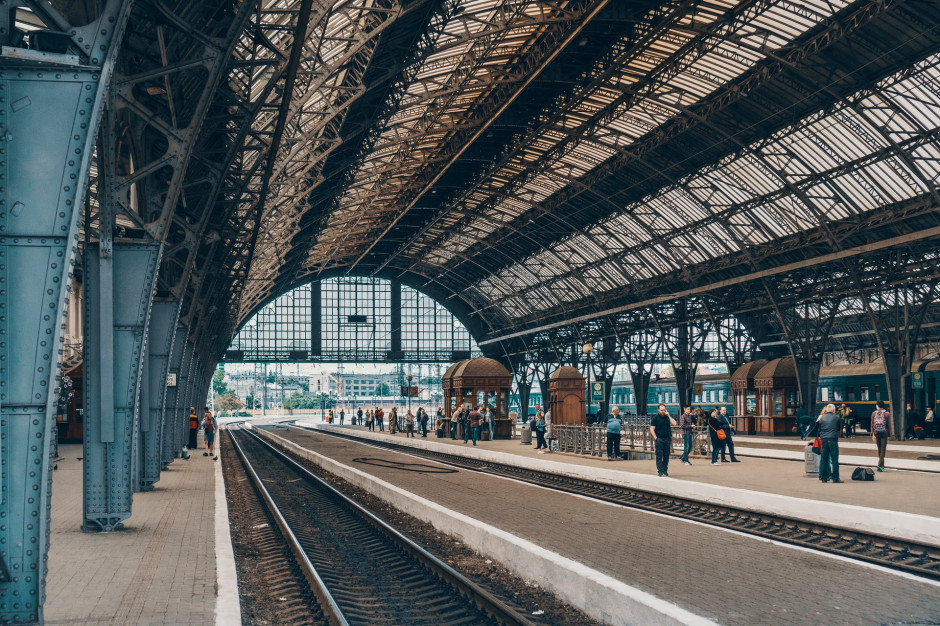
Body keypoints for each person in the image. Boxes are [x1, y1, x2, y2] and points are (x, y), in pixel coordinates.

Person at [816, 403, 842, 483]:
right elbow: (839, 427)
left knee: (824, 458)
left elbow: (819, 429)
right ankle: (835, 478)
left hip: (824, 440)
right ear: (833, 410)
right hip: (833, 439)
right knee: (834, 459)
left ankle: (824, 478)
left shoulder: (822, 418)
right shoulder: (837, 417)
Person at [650, 404, 677, 477]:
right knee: (659, 455)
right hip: (659, 439)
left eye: (664, 410)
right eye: (661, 410)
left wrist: (668, 415)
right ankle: (660, 470)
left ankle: (665, 469)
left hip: (667, 439)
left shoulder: (667, 417)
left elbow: (674, 423)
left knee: (666, 455)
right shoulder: (655, 418)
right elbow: (652, 429)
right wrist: (656, 438)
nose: (663, 412)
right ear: (658, 410)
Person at [870, 401, 890, 471]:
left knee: (879, 448)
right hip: (884, 432)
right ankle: (880, 465)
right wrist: (889, 434)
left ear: (877, 405)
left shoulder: (874, 413)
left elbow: (872, 424)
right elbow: (889, 425)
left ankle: (881, 465)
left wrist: (873, 434)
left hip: (876, 432)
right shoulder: (887, 413)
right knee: (883, 449)